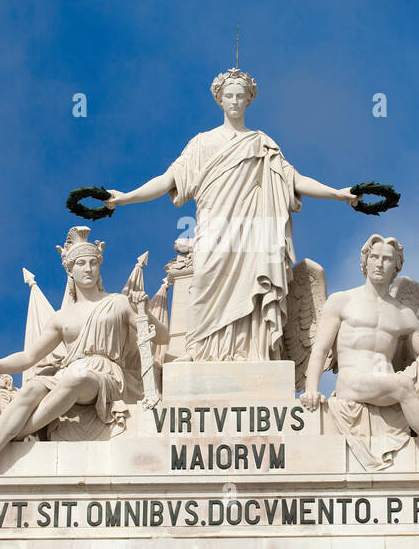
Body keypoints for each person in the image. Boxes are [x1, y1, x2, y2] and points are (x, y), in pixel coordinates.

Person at [105, 67, 358, 362]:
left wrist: (337, 193)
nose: (235, 101)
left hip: (253, 231)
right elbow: (167, 180)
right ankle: (199, 350)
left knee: (251, 286)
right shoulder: (201, 144)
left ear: (249, 100)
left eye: (241, 96)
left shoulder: (262, 144)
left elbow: (295, 180)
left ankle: (251, 352)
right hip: (214, 229)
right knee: (204, 283)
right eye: (229, 96)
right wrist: (125, 198)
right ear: (219, 99)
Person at [0, 227, 166, 474]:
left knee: (79, 379)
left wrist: (144, 311)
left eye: (93, 263)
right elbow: (30, 357)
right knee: (33, 386)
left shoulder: (118, 302)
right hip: (69, 372)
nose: (88, 269)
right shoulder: (61, 318)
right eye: (81, 263)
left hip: (104, 375)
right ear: (70, 269)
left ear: (99, 267)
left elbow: (161, 336)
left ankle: (12, 434)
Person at [300, 234, 419, 470]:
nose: (379, 263)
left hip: (387, 384)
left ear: (396, 266)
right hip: (353, 383)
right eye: (374, 257)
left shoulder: (403, 314)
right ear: (365, 261)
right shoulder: (342, 301)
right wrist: (311, 390)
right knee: (401, 385)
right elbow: (320, 349)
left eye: (386, 259)